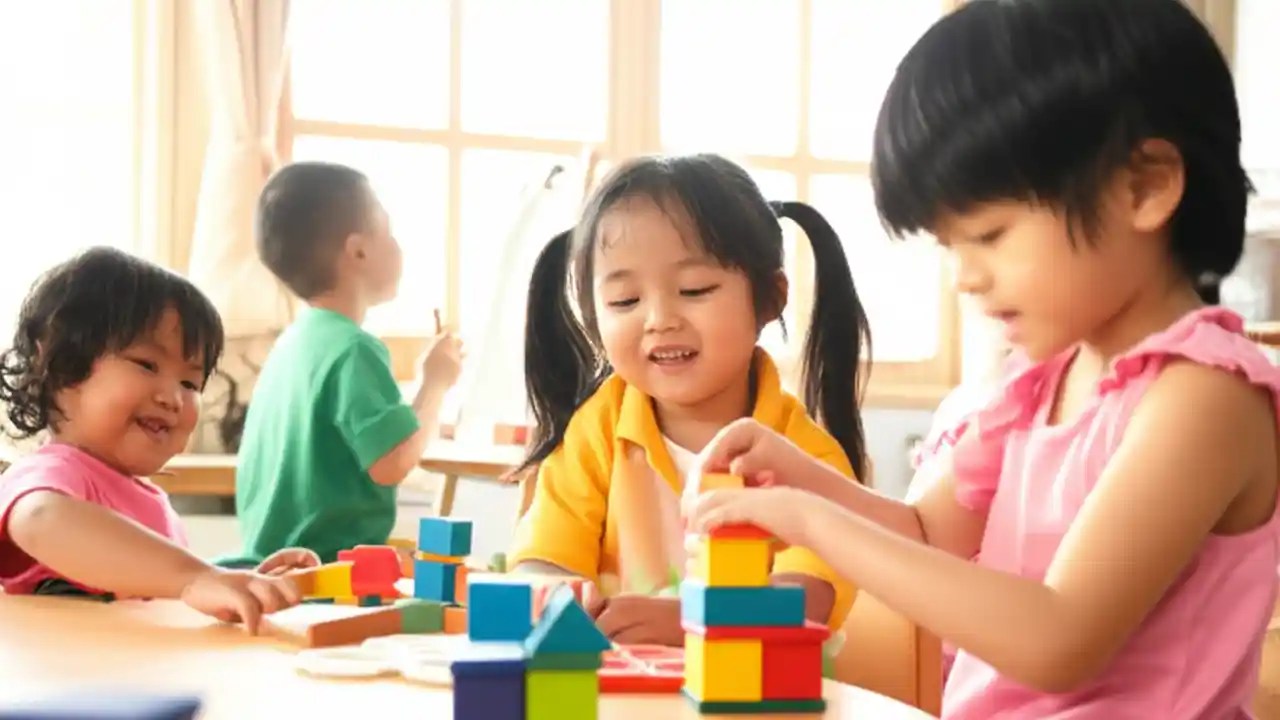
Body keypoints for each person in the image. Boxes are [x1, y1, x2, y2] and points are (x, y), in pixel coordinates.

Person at [684, 1, 1277, 716]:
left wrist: (812, 525)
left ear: (1144, 187)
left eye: (991, 235)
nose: (965, 276)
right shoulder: (1037, 387)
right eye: (949, 245)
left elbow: (1059, 638)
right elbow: (928, 534)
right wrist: (801, 482)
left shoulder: (1204, 397)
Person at [508, 153, 873, 645]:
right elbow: (543, 557)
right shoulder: (597, 430)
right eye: (625, 301)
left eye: (694, 289)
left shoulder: (802, 456)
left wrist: (691, 623)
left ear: (769, 299)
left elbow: (808, 597)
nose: (659, 318)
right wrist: (553, 595)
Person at [0, 247, 313, 633]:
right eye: (147, 365)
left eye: (189, 382)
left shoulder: (148, 499)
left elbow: (162, 594)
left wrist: (241, 582)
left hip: (136, 681)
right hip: (69, 688)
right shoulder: (54, 473)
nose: (173, 397)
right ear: (61, 366)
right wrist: (195, 577)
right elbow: (41, 520)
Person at [229, 162, 464, 565]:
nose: (398, 246)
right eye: (388, 232)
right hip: (321, 576)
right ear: (357, 250)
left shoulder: (293, 343)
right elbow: (392, 461)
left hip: (267, 566)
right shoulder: (354, 348)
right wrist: (436, 383)